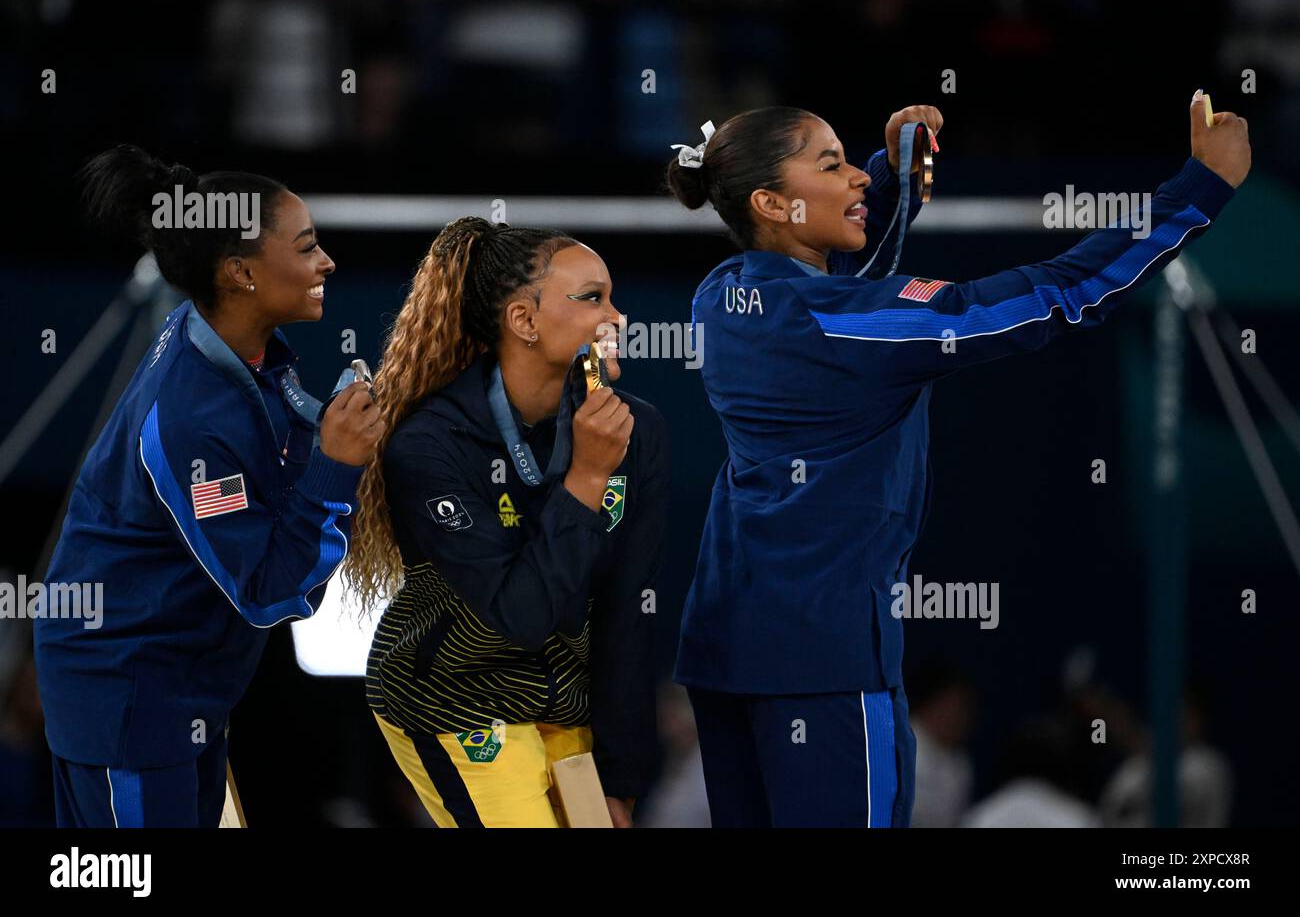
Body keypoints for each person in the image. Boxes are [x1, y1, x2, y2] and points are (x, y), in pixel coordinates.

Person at [667, 94, 1251, 827]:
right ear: (772, 202)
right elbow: (1059, 294)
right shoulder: (848, 324)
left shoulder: (721, 300)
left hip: (726, 653)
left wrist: (893, 172)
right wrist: (1200, 190)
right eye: (833, 164)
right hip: (824, 659)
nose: (854, 179)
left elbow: (839, 283)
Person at [34, 144, 382, 828]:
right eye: (308, 247)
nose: (327, 262)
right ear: (241, 273)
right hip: (126, 700)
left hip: (183, 687)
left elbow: (281, 446)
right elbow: (269, 590)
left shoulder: (230, 340)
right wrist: (337, 464)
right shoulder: (191, 418)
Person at [347, 217, 667, 828]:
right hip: (454, 697)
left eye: (613, 297)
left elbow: (631, 608)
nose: (618, 318)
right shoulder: (432, 445)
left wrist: (622, 780)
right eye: (591, 298)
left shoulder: (637, 431)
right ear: (523, 321)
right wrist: (586, 480)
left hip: (562, 698)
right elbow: (519, 615)